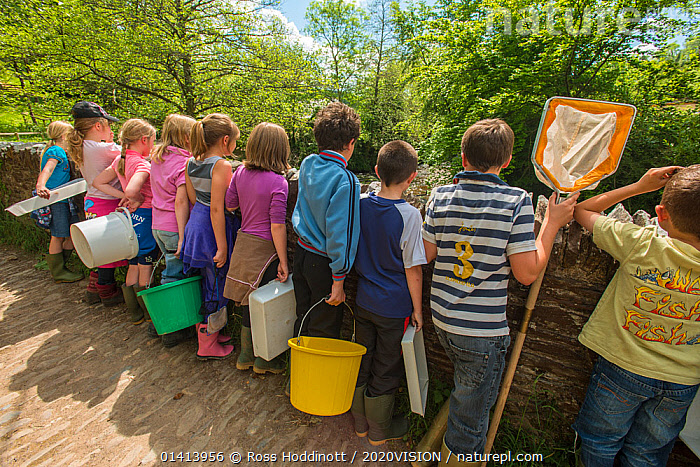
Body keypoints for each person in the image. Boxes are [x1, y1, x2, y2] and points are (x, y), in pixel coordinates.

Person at [421, 119, 577, 466]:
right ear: (506, 161)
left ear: (463, 157)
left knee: (466, 391)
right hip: (482, 333)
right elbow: (526, 273)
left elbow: (427, 254)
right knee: (470, 421)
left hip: (443, 319)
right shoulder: (516, 200)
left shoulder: (440, 194)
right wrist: (550, 224)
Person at [571, 165, 700, 467]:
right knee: (648, 454)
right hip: (684, 380)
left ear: (661, 213)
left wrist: (639, 186)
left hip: (622, 367)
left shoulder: (641, 244)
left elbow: (581, 210)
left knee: (599, 441)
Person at [349, 140, 427, 446]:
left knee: (362, 359)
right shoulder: (409, 215)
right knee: (386, 365)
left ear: (378, 170)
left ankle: (359, 425)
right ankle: (379, 432)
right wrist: (418, 311)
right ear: (412, 177)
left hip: (364, 300)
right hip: (394, 307)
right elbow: (414, 270)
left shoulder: (361, 204)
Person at [223, 122, 290, 375]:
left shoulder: (239, 172)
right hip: (266, 249)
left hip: (244, 243)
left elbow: (230, 204)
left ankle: (244, 354)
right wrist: (283, 261)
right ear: (280, 151)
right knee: (266, 304)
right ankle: (265, 360)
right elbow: (277, 226)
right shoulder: (279, 183)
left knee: (247, 302)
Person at [291, 101, 361, 340]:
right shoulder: (347, 181)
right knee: (324, 326)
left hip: (301, 254)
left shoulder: (308, 163)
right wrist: (339, 280)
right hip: (323, 264)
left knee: (303, 316)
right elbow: (340, 234)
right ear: (351, 143)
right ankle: (316, 377)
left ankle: (297, 372)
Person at [181, 113, 240, 360]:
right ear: (225, 140)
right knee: (217, 283)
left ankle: (211, 331)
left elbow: (195, 199)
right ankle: (207, 343)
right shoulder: (221, 166)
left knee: (207, 281)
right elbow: (218, 207)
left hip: (196, 224)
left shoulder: (191, 163)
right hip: (213, 230)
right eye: (236, 140)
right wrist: (222, 246)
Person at [93, 118, 159, 329]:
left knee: (133, 262)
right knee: (145, 264)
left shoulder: (120, 160)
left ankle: (134, 313)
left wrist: (122, 195)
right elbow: (133, 190)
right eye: (153, 141)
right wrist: (133, 196)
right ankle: (150, 315)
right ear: (144, 140)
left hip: (130, 219)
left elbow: (98, 182)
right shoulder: (141, 163)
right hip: (146, 215)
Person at [68, 101, 125, 306]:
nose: (111, 129)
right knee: (108, 248)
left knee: (97, 245)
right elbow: (135, 152)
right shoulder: (102, 149)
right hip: (107, 201)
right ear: (98, 126)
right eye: (108, 125)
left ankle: (94, 287)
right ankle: (107, 290)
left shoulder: (82, 146)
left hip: (92, 200)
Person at [149, 114, 197, 348]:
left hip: (157, 224)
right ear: (187, 138)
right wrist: (182, 236)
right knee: (174, 276)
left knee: (168, 271)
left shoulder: (158, 157)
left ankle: (156, 322)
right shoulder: (183, 163)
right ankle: (171, 328)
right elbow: (180, 202)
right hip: (173, 227)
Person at [35, 120, 83, 283]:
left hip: (64, 198)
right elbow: (47, 169)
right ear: (64, 136)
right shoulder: (56, 150)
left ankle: (62, 266)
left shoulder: (60, 151)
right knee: (58, 235)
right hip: (55, 199)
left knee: (69, 234)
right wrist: (41, 185)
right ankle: (58, 272)